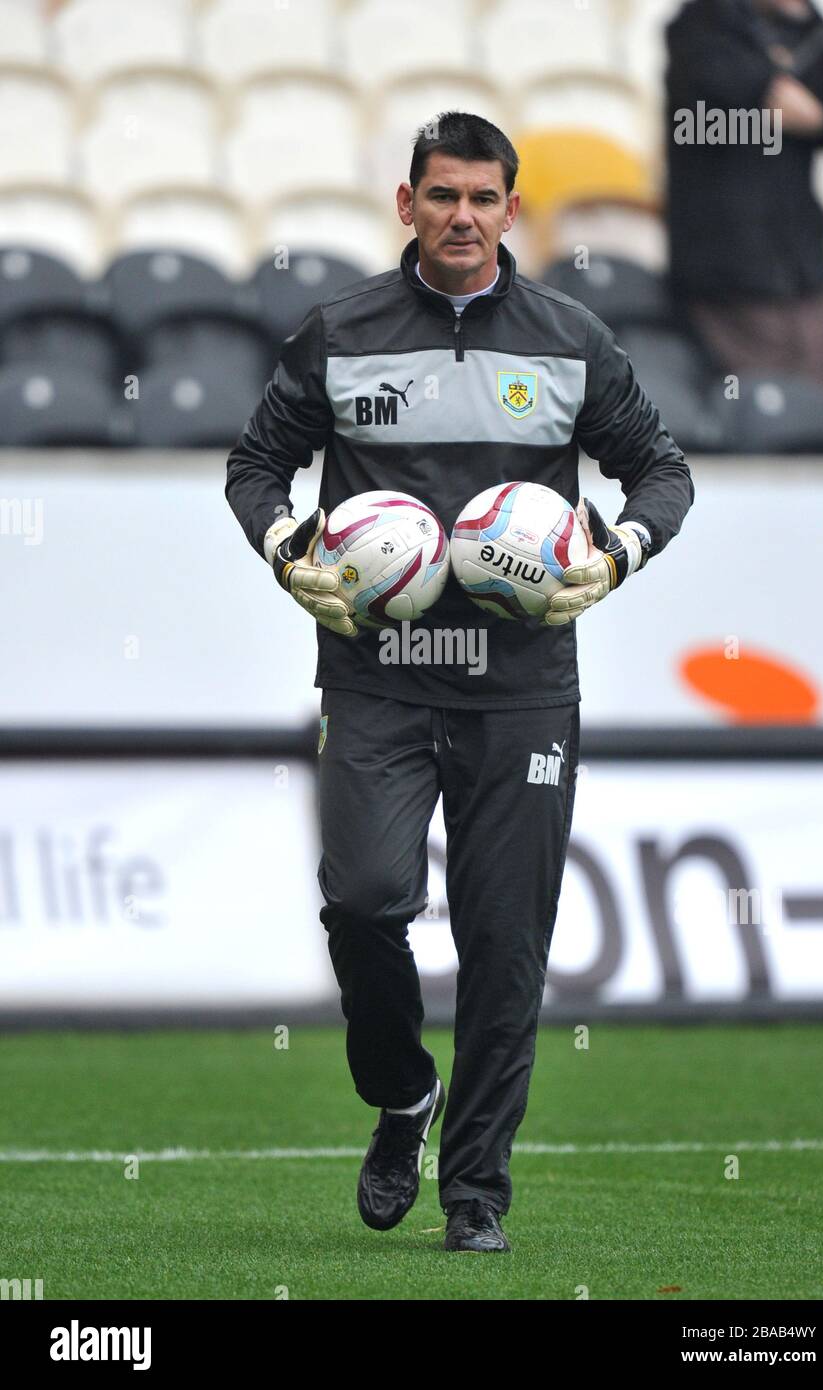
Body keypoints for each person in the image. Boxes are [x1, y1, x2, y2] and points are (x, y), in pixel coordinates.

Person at [225, 112, 694, 1253]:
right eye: (442, 196)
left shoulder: (569, 339)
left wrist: (613, 554)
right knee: (365, 901)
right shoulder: (338, 334)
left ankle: (474, 1192)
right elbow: (253, 467)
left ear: (511, 211)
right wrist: (290, 553)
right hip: (376, 677)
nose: (462, 218)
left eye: (484, 199)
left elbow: (661, 474)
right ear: (406, 205)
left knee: (502, 946)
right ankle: (400, 1096)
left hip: (522, 685)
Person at [666, 0, 823, 407]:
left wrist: (821, 121)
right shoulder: (699, 24)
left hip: (804, 265)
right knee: (773, 406)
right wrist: (781, 82)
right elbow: (750, 92)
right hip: (729, 272)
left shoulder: (809, 26)